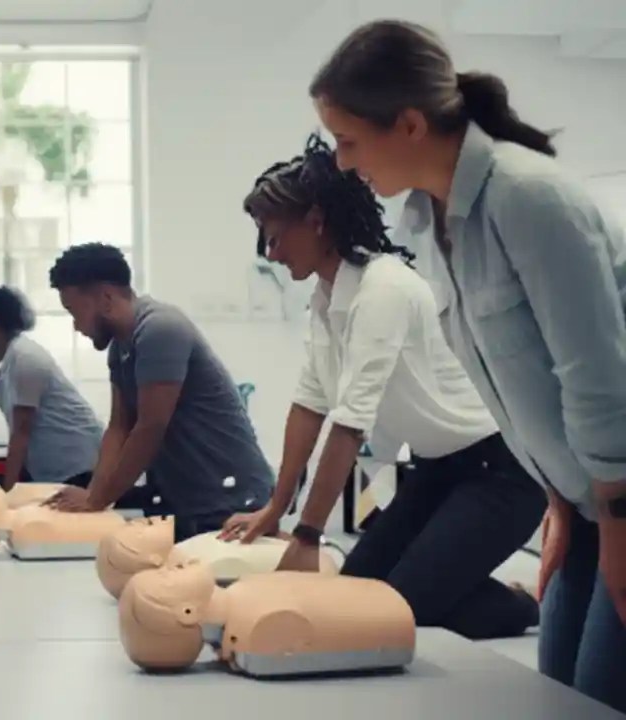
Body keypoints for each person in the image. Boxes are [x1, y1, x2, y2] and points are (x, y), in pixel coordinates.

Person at [310, 18, 626, 709]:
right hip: (584, 500)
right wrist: (562, 502)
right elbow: (512, 385)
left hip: (619, 494)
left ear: (411, 125)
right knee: (563, 691)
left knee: (599, 695)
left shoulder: (528, 198)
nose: (340, 160)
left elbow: (598, 382)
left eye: (348, 140)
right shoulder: (436, 220)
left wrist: (613, 523)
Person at [221, 134, 545, 639]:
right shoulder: (327, 299)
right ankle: (455, 578)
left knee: (399, 612)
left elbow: (349, 425)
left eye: (275, 236)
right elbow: (310, 404)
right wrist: (275, 506)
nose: (271, 252)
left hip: (501, 473)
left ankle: (524, 605)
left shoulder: (384, 288)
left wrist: (308, 535)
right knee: (360, 594)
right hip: (439, 470)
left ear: (317, 222)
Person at [43, 244, 274, 540]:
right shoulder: (120, 348)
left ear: (105, 298)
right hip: (185, 496)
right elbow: (119, 427)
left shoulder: (160, 328)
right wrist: (95, 494)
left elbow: (150, 427)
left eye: (75, 312)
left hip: (230, 495)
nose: (76, 326)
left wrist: (97, 500)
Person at [0, 283, 104, 491]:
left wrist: (9, 494)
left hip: (79, 461)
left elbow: (21, 434)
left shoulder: (25, 358)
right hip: (45, 464)